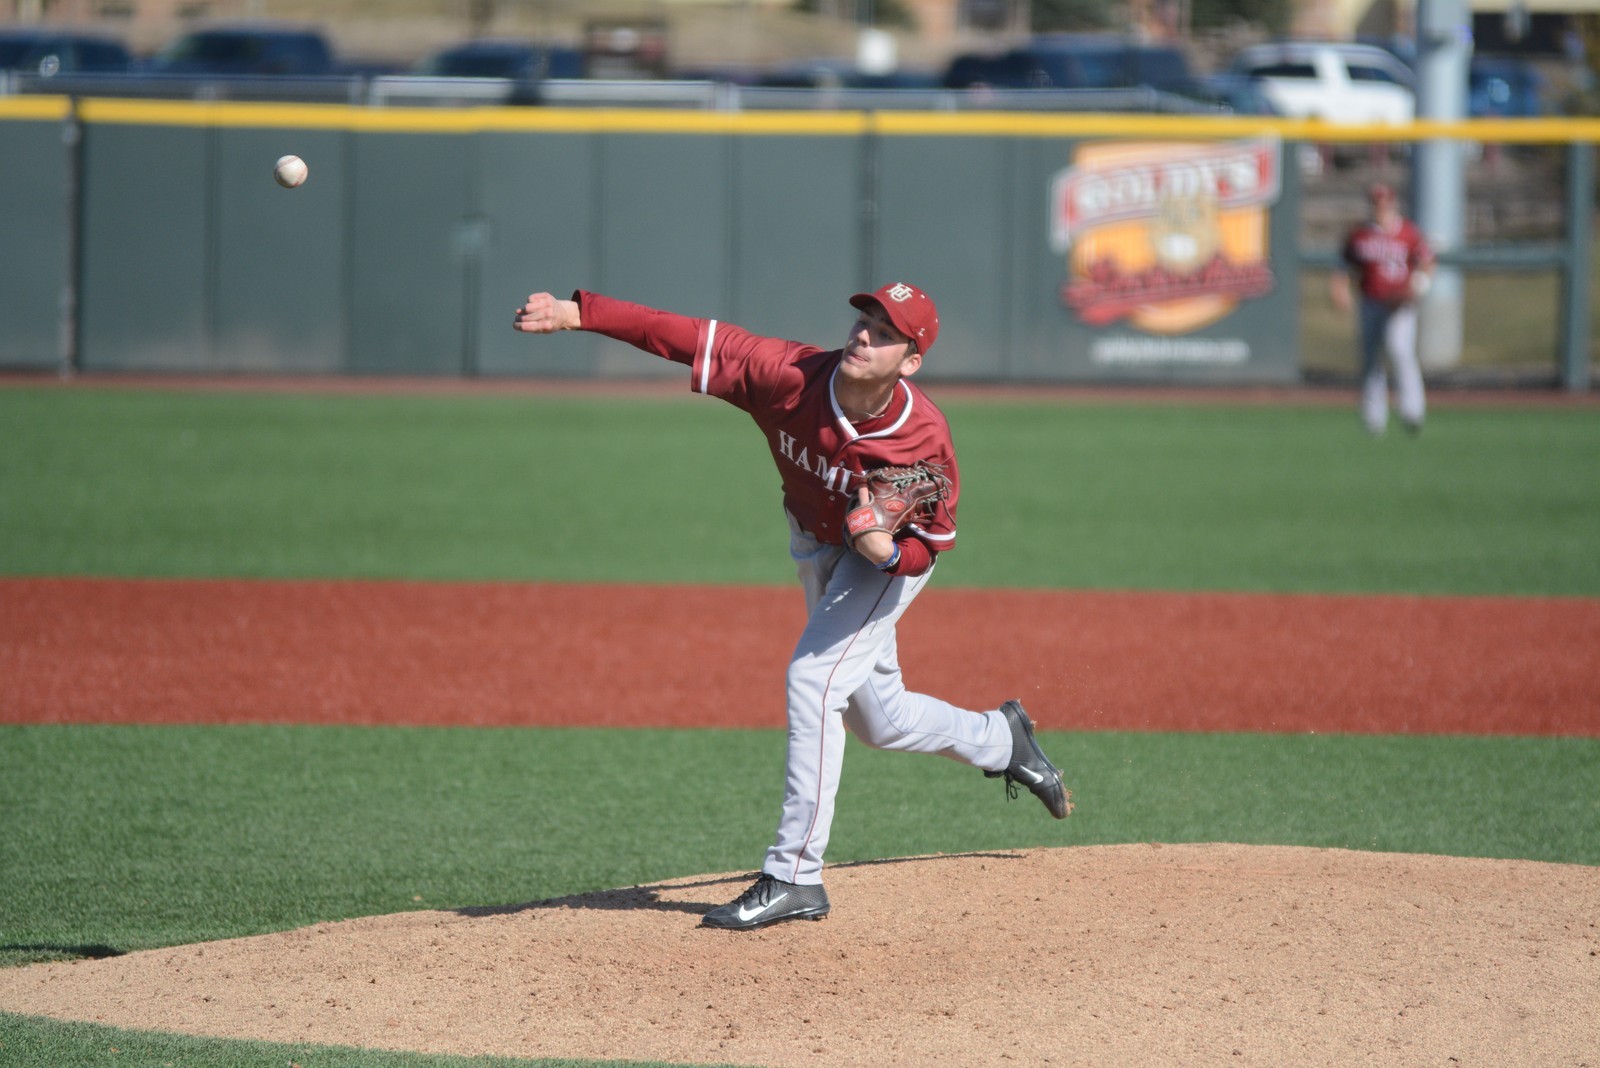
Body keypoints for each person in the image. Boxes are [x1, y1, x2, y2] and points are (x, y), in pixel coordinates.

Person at [513, 282, 1071, 931]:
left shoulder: (922, 435)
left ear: (911, 360)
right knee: (879, 720)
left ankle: (795, 874)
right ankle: (1001, 739)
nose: (865, 335)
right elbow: (686, 335)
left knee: (812, 680)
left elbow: (932, 545)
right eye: (865, 321)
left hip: (878, 570)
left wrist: (886, 553)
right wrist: (581, 314)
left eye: (886, 333)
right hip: (813, 545)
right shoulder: (789, 376)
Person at [1330, 182, 1436, 436]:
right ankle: (1373, 419)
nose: (1380, 207)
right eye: (1376, 202)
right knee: (1371, 359)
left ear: (1393, 203)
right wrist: (1340, 288)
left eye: (1384, 202)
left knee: (1399, 350)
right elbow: (1344, 265)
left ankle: (1413, 411)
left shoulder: (1408, 232)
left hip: (1400, 304)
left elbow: (1428, 263)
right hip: (1371, 301)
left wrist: (1417, 287)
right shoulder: (1360, 235)